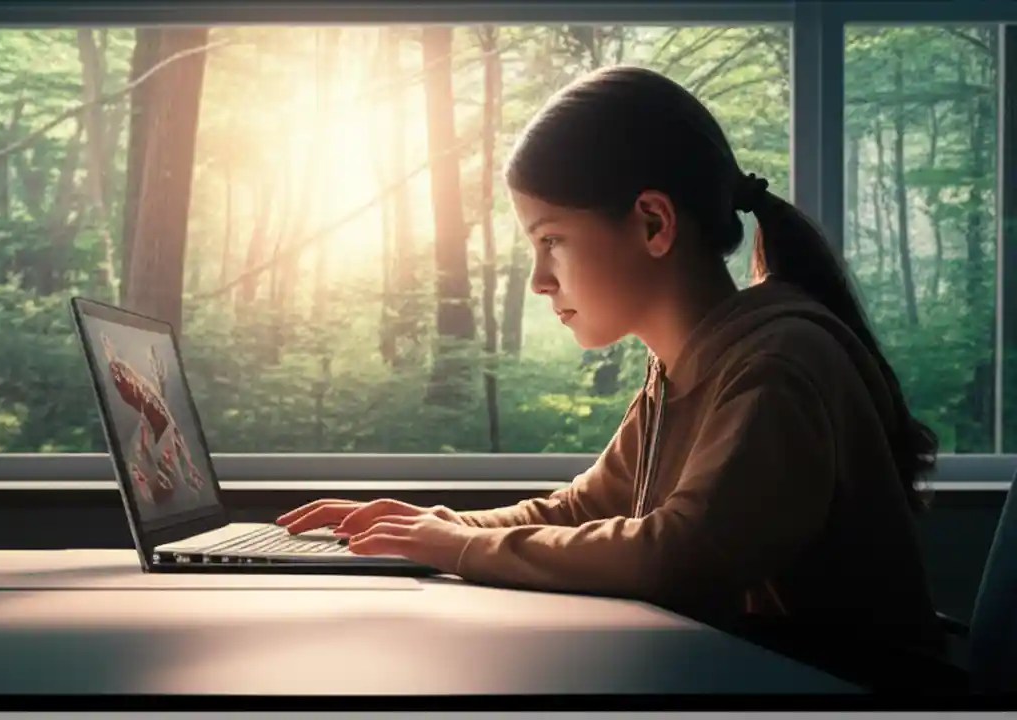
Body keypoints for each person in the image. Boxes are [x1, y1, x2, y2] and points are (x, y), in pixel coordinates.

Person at [276, 66, 951, 690]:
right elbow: (584, 509)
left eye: (551, 241)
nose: (541, 281)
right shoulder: (688, 366)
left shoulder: (774, 366)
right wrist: (435, 526)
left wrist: (459, 547)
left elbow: (679, 555)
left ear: (653, 223)